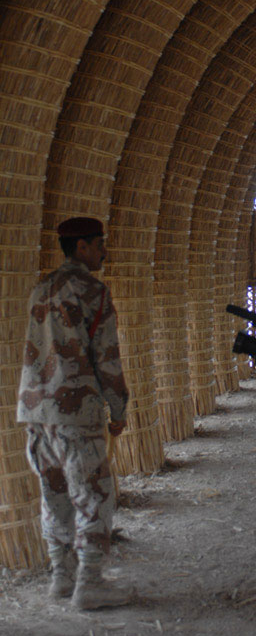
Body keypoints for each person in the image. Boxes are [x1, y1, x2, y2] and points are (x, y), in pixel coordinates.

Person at [17, 216, 132, 610]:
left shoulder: (39, 289)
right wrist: (118, 408)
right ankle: (90, 581)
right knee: (94, 493)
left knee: (54, 496)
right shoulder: (93, 291)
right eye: (99, 244)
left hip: (35, 411)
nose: (104, 251)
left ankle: (60, 576)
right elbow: (108, 358)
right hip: (76, 410)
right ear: (82, 247)